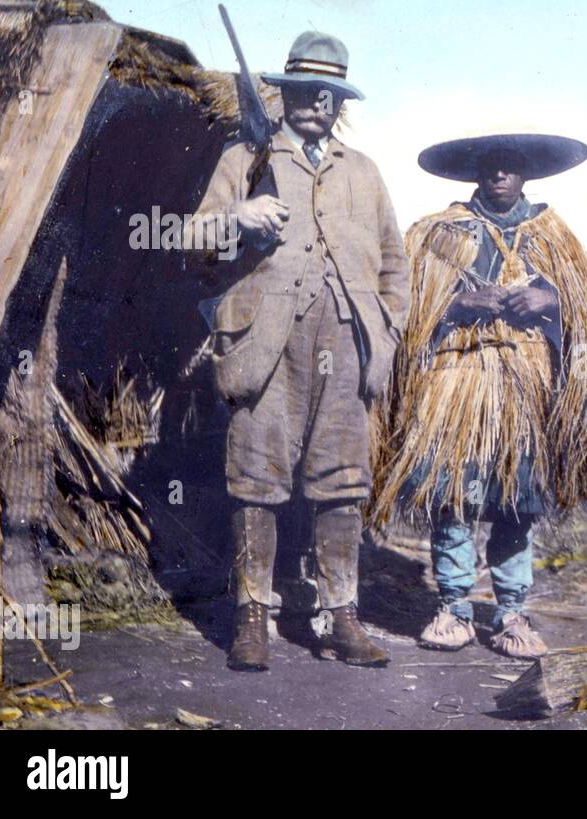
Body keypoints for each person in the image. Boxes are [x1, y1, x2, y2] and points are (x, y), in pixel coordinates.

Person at [369, 134, 587, 659]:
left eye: (511, 167)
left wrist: (550, 301)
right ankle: (452, 606)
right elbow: (406, 315)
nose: (500, 176)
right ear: (476, 172)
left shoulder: (553, 237)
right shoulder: (436, 235)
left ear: (526, 175)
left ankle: (511, 612)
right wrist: (459, 305)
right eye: (492, 166)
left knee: (518, 503)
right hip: (456, 380)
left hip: (527, 383)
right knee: (451, 498)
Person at [186, 31, 409, 671]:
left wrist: (386, 330)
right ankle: (253, 617)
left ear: (339, 101)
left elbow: (395, 263)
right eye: (305, 90)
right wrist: (240, 216)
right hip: (266, 344)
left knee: (342, 485)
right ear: (282, 95)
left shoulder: (363, 173)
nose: (317, 101)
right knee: (255, 482)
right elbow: (188, 237)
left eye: (329, 93)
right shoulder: (245, 157)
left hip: (346, 341)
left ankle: (341, 617)